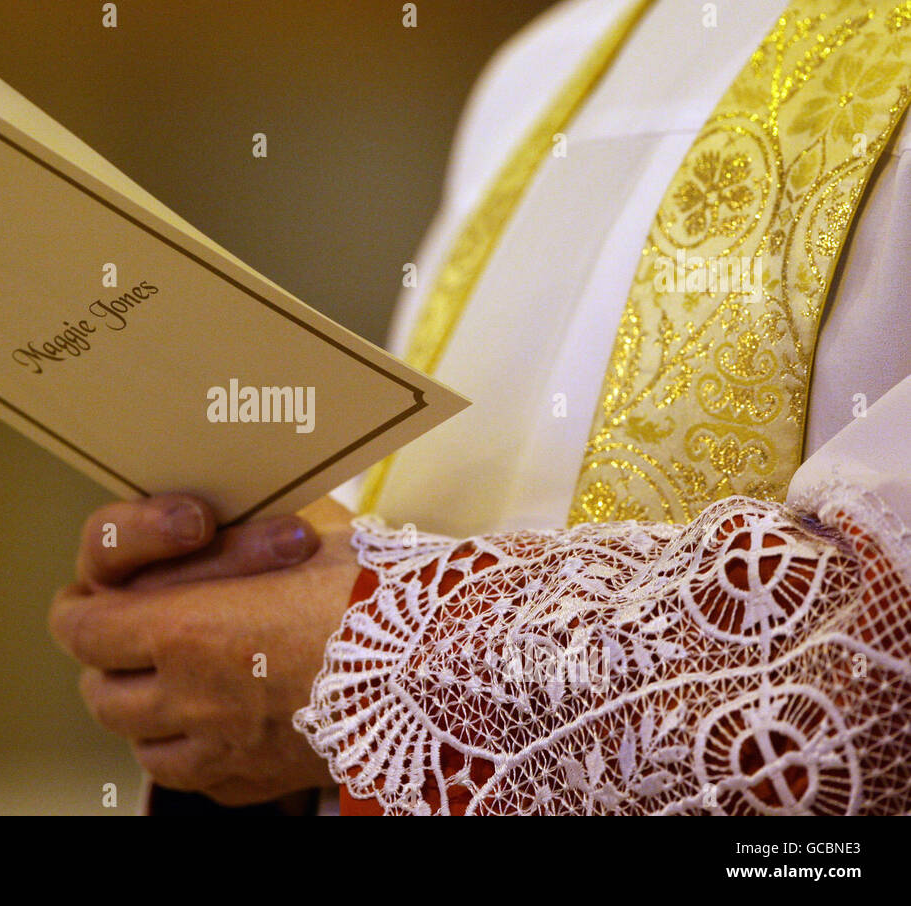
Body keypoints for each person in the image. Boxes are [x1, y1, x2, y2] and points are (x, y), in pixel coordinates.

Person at [50, 0, 911, 814]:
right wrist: (236, 635)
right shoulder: (546, 65)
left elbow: (877, 657)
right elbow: (430, 529)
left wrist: (360, 663)